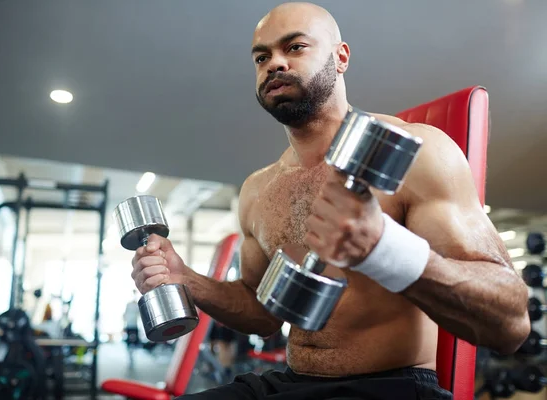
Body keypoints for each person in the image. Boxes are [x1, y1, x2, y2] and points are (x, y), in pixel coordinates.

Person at [131, 2, 531, 399]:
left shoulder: (418, 151)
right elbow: (261, 312)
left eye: (295, 47)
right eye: (261, 56)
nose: (274, 63)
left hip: (389, 386)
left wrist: (384, 249)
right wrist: (188, 280)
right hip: (290, 381)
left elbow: (511, 324)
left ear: (341, 58)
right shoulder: (258, 189)